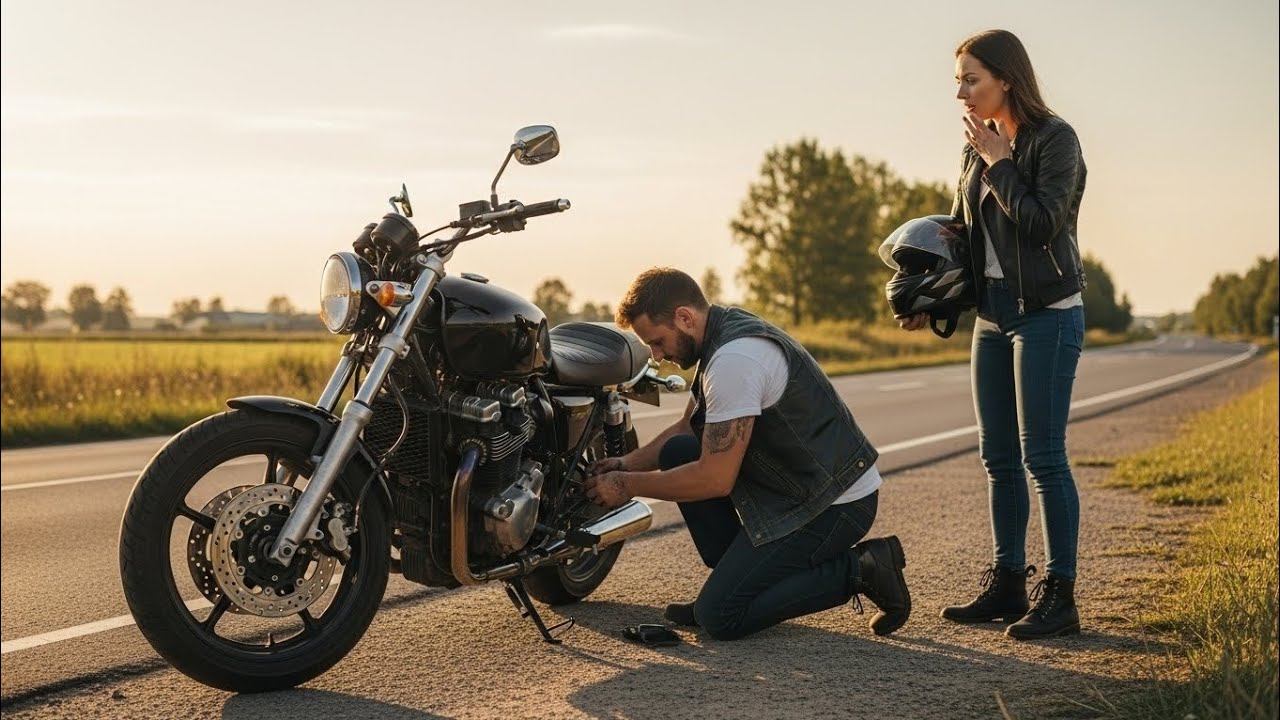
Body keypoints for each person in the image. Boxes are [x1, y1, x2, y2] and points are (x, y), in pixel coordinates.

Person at [582, 267, 910, 641]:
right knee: (679, 450)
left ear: (684, 318)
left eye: (657, 342)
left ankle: (863, 568)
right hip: (793, 487)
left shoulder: (734, 361)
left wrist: (626, 485)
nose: (656, 356)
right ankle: (734, 583)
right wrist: (625, 463)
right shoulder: (719, 337)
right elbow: (688, 429)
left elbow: (715, 479)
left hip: (834, 504)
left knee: (720, 617)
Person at [900, 29, 1088, 639]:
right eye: (958, 80)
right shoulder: (974, 147)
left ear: (1007, 78)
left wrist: (1001, 163)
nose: (961, 93)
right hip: (994, 316)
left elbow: (1038, 226)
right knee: (999, 458)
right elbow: (967, 236)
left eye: (971, 79)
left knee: (1043, 456)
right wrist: (934, 299)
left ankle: (1061, 595)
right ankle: (1009, 582)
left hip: (1048, 312)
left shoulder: (1053, 140)